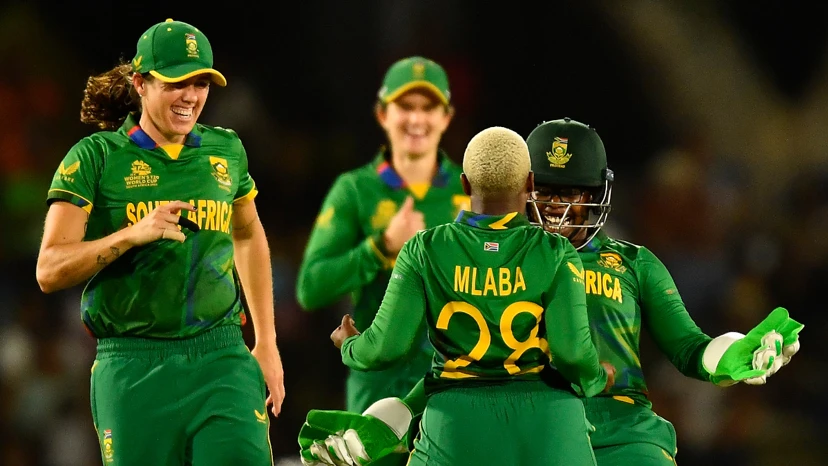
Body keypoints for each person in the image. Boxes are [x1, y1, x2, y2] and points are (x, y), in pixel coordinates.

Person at [297, 119, 803, 466]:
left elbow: (690, 347)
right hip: (533, 433)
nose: (560, 208)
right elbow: (458, 371)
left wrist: (734, 355)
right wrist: (393, 419)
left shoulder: (632, 262)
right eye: (550, 193)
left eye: (575, 193)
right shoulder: (503, 257)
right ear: (525, 187)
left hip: (621, 435)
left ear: (599, 194)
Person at [35, 18, 284, 466]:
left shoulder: (226, 150)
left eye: (201, 83)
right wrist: (132, 234)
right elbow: (49, 270)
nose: (191, 96)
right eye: (176, 83)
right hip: (134, 365)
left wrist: (266, 340)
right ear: (140, 83)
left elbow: (247, 232)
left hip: (221, 356)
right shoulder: (97, 157)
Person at [327, 126, 614, 466]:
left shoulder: (424, 248)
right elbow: (572, 354)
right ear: (529, 183)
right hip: (547, 424)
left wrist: (349, 344)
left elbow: (384, 349)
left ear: (464, 184)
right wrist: (598, 377)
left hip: (455, 424)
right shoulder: (556, 251)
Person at [295, 56, 471, 464]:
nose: (417, 119)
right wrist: (381, 247)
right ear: (382, 114)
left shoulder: (470, 191)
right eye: (405, 106)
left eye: (428, 107)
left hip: (452, 382)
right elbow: (311, 288)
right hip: (376, 381)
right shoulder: (356, 189)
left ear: (446, 117)